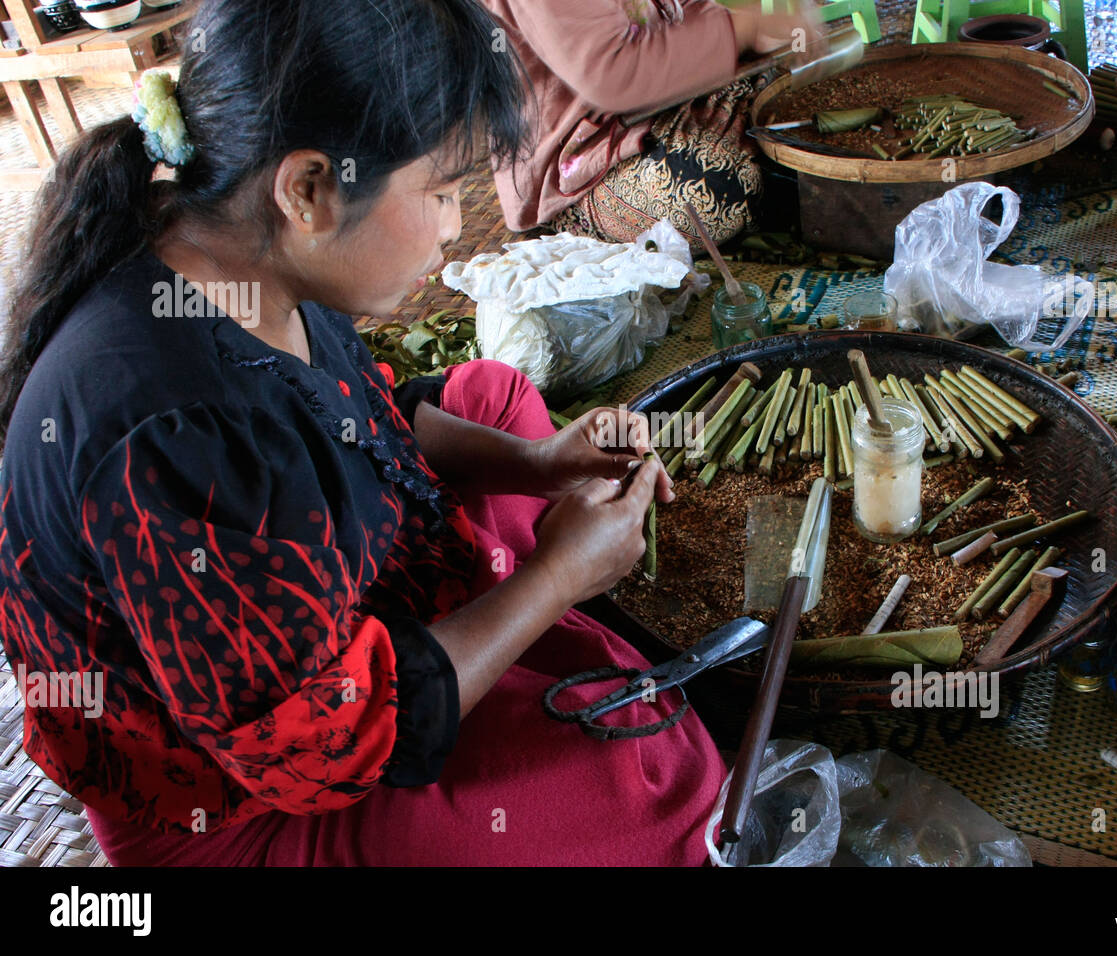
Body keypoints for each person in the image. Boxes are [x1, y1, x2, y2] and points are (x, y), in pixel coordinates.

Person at [0, 0, 727, 866]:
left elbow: (365, 418)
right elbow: (319, 745)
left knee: (494, 397)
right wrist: (557, 576)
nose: (458, 224)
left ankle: (514, 625)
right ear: (308, 188)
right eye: (443, 189)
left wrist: (538, 465)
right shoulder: (175, 432)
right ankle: (528, 636)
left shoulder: (242, 257)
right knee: (654, 789)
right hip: (236, 808)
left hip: (316, 616)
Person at [479, 0, 822, 250]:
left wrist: (746, 26)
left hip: (659, 98)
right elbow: (612, 73)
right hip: (582, 153)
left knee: (790, 102)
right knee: (713, 189)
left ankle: (789, 190)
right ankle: (573, 221)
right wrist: (745, 28)